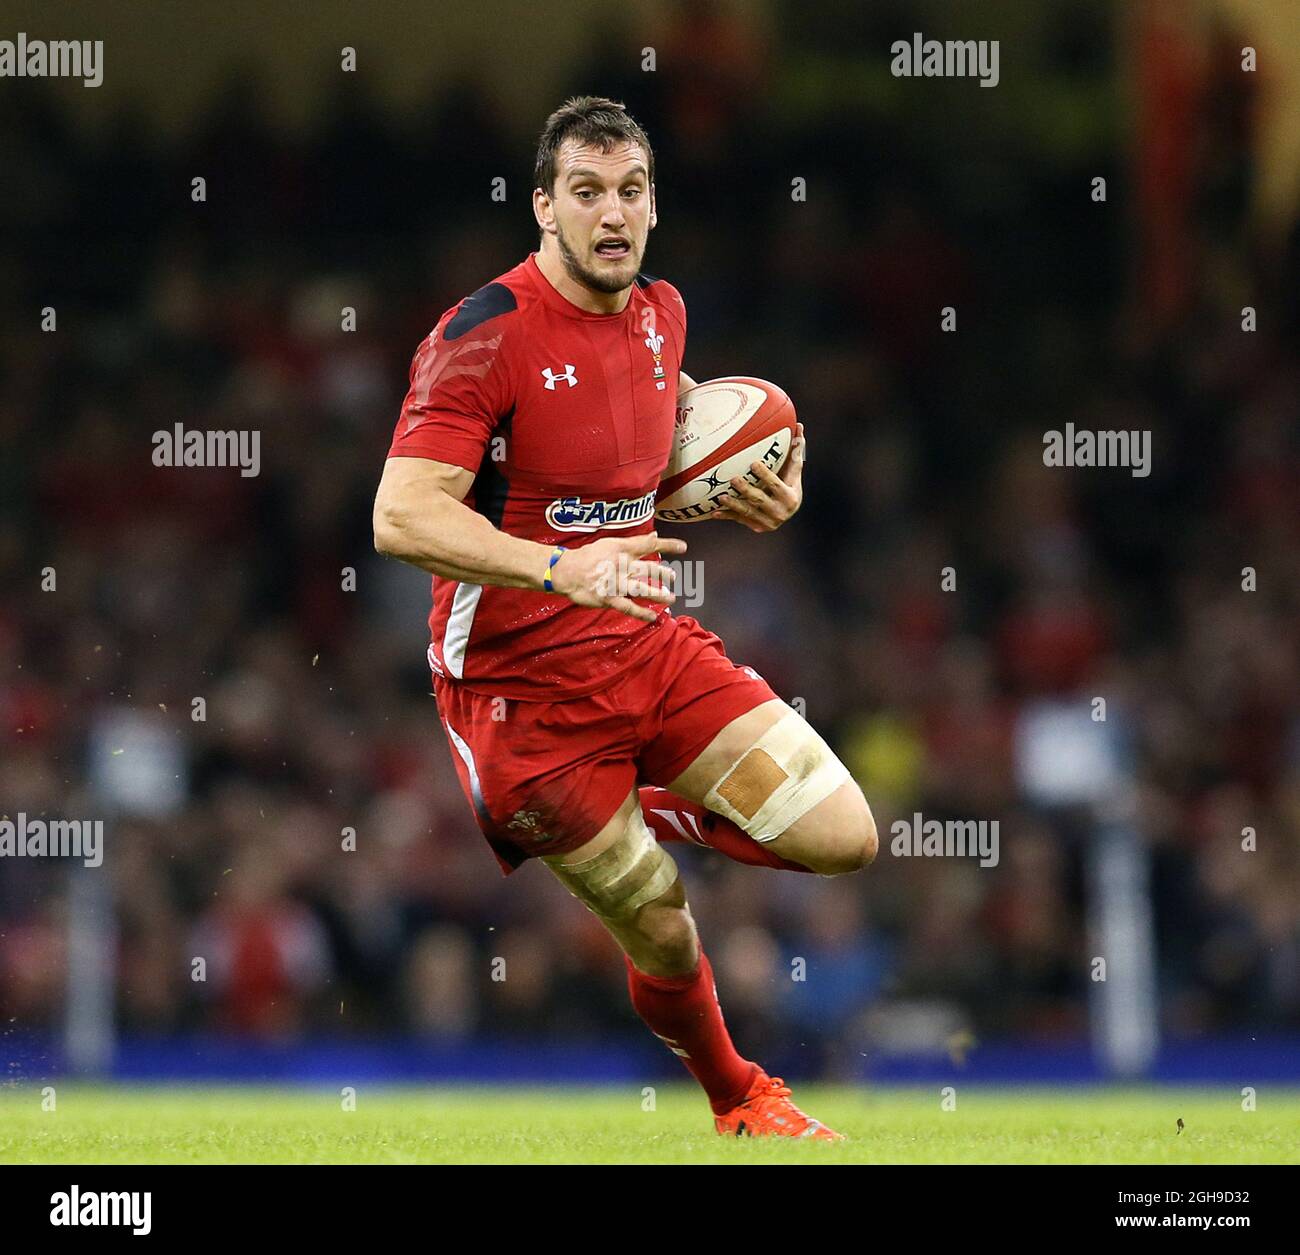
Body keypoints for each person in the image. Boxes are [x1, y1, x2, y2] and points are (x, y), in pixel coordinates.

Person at [373, 96, 877, 1138]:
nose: (613, 213)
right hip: (520, 695)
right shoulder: (481, 337)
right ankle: (738, 1094)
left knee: (846, 837)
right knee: (658, 922)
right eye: (588, 191)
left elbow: (669, 419)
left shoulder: (661, 314)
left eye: (632, 191)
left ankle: (647, 803)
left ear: (653, 205)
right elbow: (399, 514)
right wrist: (562, 567)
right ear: (544, 207)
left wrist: (765, 479)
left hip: (645, 647)